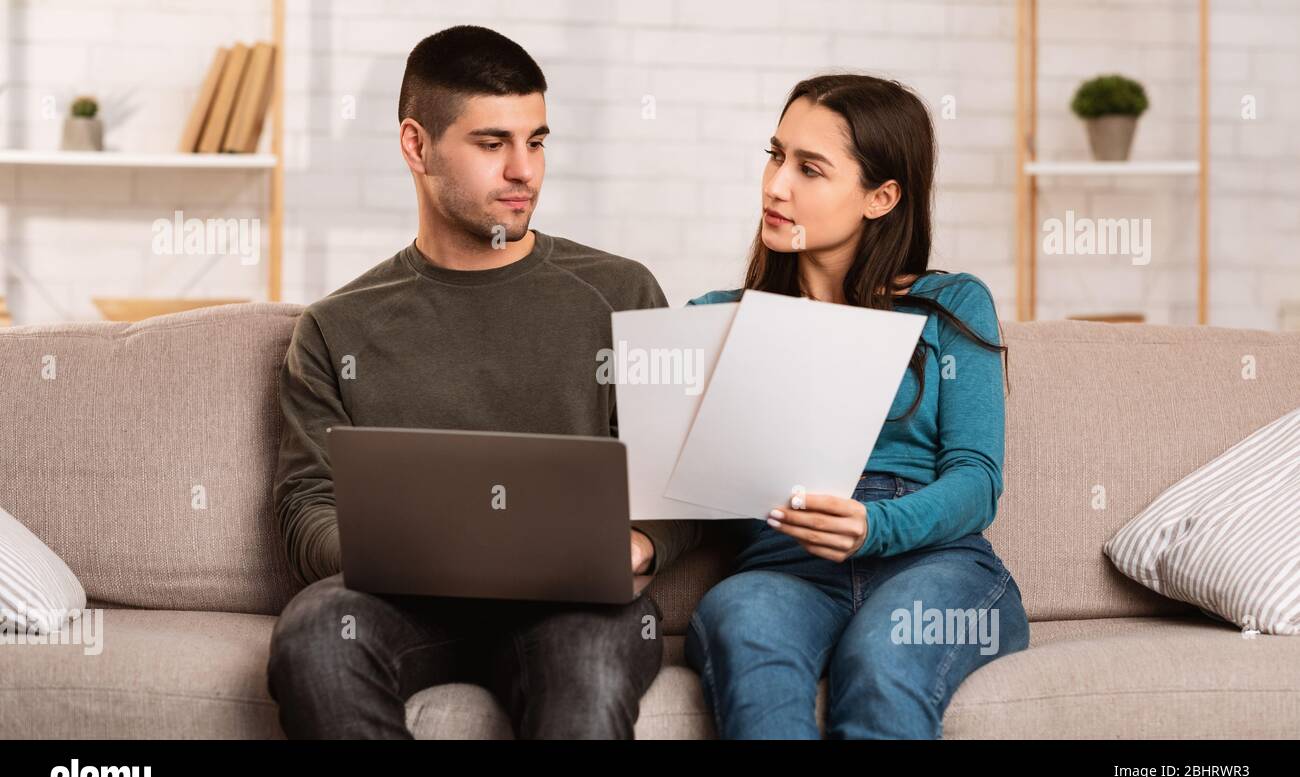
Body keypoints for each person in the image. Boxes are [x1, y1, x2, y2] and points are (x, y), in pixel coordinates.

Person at [266, 25, 697, 739]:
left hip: (574, 606)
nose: (524, 170)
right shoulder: (335, 328)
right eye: (492, 144)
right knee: (315, 639)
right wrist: (418, 549)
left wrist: (641, 542)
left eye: (537, 141)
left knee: (586, 671)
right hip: (402, 602)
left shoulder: (620, 291)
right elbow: (306, 508)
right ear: (416, 145)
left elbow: (684, 473)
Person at [683, 73, 1031, 739]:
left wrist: (875, 526)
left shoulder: (949, 305)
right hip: (785, 562)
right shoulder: (717, 320)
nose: (776, 186)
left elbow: (976, 481)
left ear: (882, 196)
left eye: (810, 168)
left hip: (933, 559)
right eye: (775, 156)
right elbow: (696, 504)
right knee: (746, 627)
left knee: (883, 657)